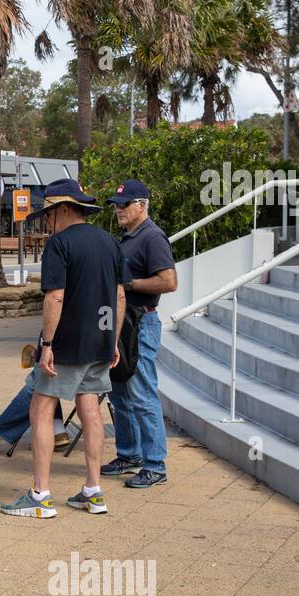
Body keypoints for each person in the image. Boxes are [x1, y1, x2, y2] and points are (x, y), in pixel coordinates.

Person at [0, 178, 125, 519]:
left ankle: (40, 494)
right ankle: (93, 491)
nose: (48, 220)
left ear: (65, 210)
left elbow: (55, 296)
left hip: (67, 343)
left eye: (51, 213)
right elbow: (119, 295)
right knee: (91, 410)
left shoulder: (59, 245)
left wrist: (49, 345)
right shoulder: (110, 243)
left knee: (41, 410)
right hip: (100, 341)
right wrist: (113, 340)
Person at [102, 179, 177, 488]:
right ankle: (130, 454)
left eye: (124, 204)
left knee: (143, 392)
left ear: (142, 205)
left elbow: (169, 281)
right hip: (124, 321)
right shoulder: (129, 236)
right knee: (120, 390)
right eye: (117, 205)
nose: (118, 210)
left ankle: (155, 464)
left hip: (141, 322)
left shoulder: (152, 237)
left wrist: (128, 284)